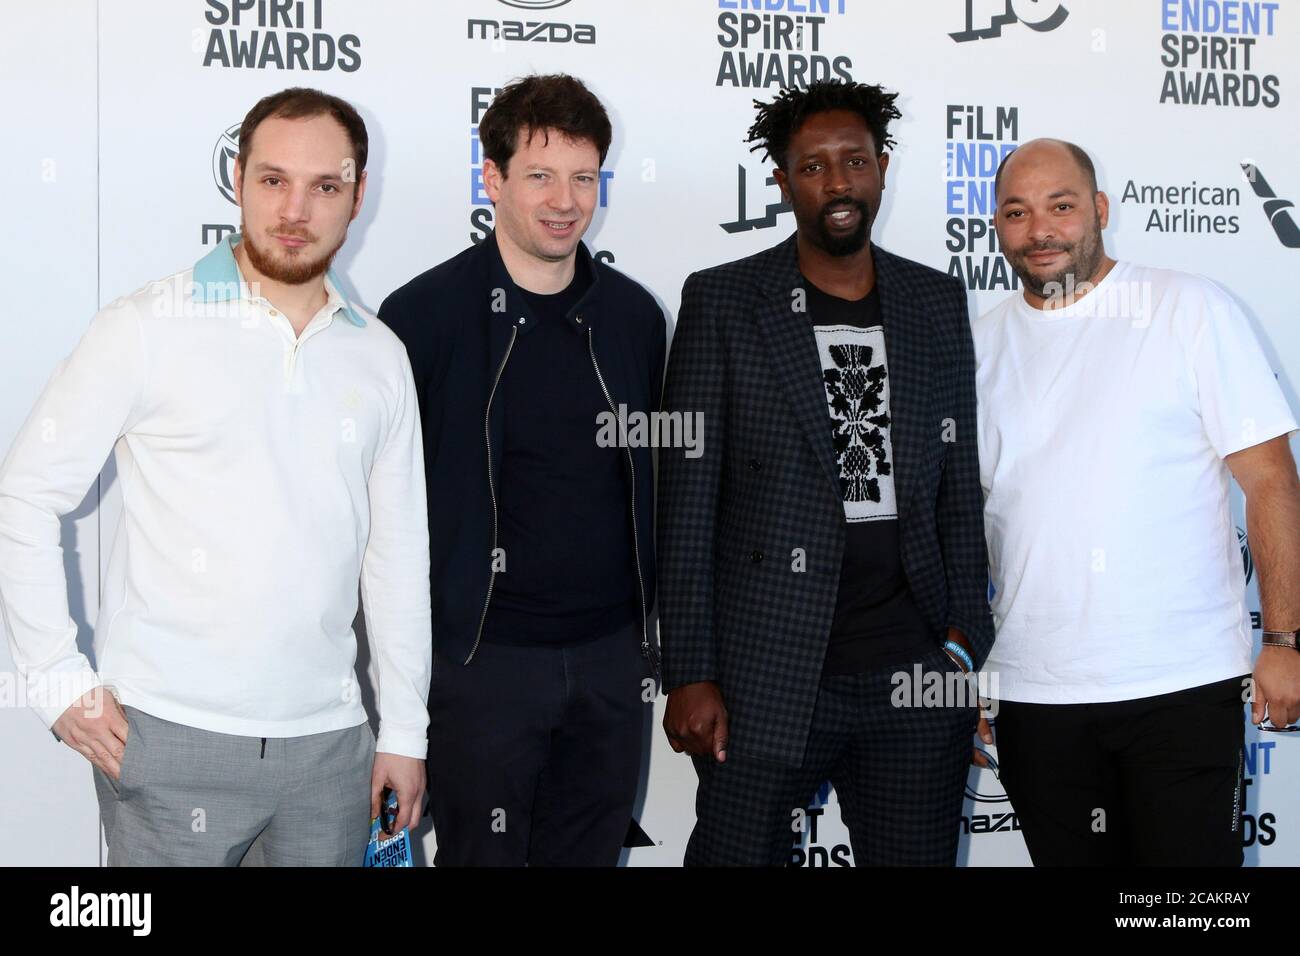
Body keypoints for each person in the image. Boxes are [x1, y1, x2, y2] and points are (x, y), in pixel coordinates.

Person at [0, 87, 431, 866]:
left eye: (325, 186)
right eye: (273, 180)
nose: (295, 209)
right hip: (166, 739)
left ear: (357, 196)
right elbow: (26, 494)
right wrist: (56, 681)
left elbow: (397, 557)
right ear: (238, 180)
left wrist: (402, 730)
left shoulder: (380, 356)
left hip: (331, 749)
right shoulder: (146, 326)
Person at [657, 80, 992, 866]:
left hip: (913, 677)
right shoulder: (725, 302)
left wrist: (964, 644)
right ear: (782, 179)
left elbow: (958, 487)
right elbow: (687, 507)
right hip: (763, 674)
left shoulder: (936, 301)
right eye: (813, 166)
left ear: (882, 169)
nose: (837, 183)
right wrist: (692, 672)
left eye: (854, 162)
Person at [974, 137, 1300, 865]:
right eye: (1017, 212)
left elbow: (1272, 478)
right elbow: (965, 527)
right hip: (1035, 693)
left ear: (1098, 210)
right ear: (996, 226)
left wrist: (1283, 642)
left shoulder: (1187, 307)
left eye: (1060, 206)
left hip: (1180, 686)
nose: (1040, 230)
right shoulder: (979, 345)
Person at [378, 74, 665, 866]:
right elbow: (385, 512)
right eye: (540, 175)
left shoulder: (635, 317)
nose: (565, 200)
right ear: (493, 179)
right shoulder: (420, 318)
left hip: (611, 664)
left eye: (583, 177)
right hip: (480, 664)